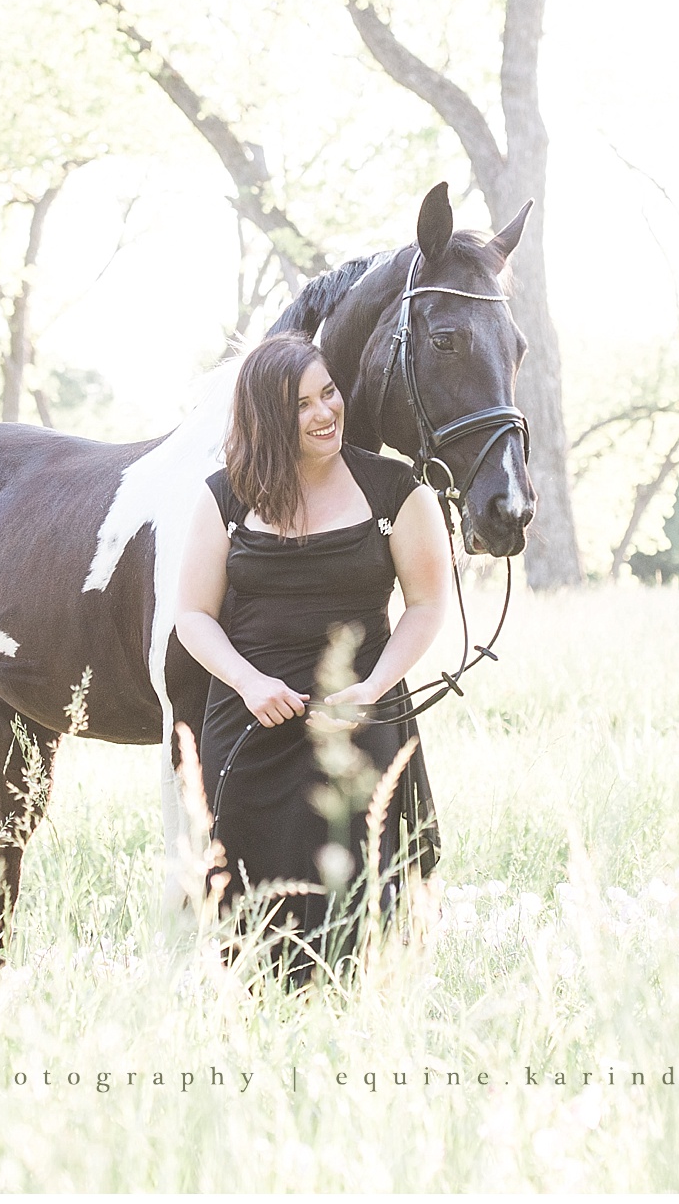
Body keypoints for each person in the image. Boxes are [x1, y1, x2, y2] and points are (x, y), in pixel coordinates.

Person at [174, 331, 453, 984]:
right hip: (251, 727)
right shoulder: (226, 497)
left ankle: (354, 1028)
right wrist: (247, 681)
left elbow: (427, 604)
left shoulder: (395, 490)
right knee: (249, 905)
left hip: (358, 724)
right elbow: (192, 615)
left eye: (329, 393)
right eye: (302, 404)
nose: (325, 412)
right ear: (269, 416)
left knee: (358, 893)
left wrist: (377, 685)